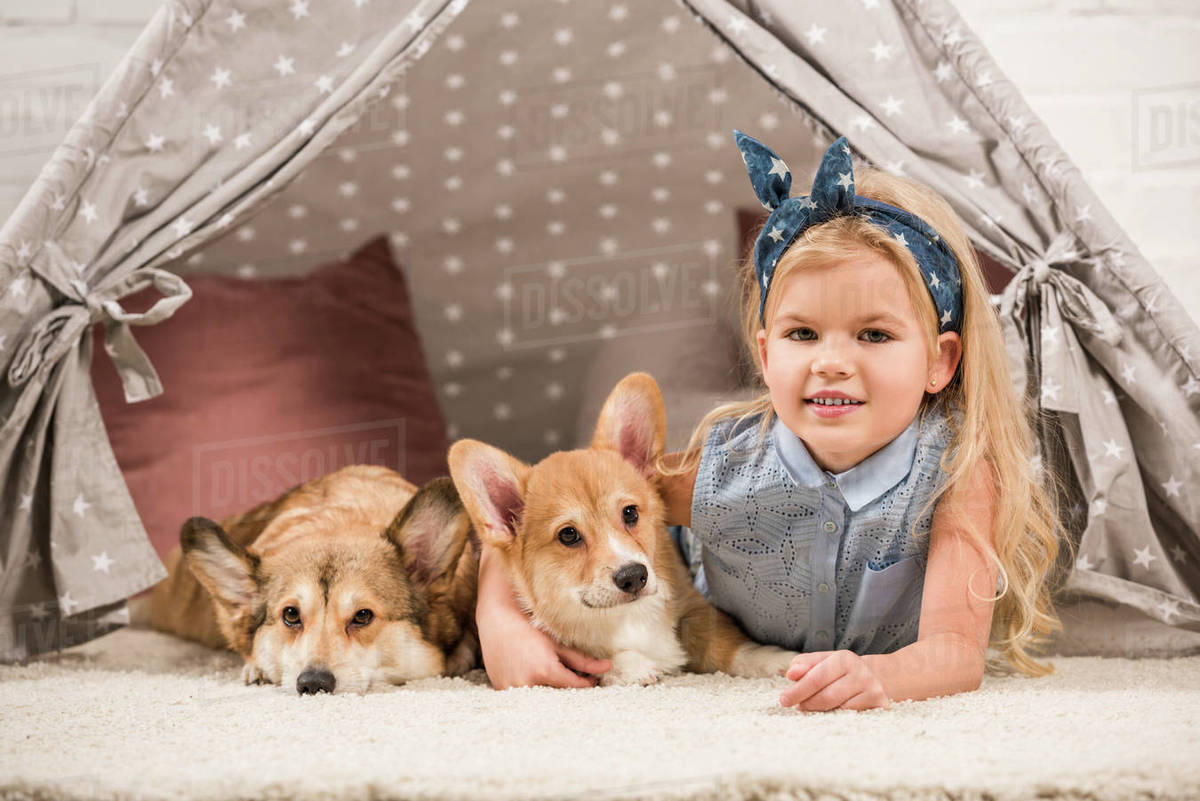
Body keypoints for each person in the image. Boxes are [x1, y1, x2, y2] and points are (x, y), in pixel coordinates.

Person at [473, 131, 1072, 709]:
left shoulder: (957, 474)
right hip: (703, 586)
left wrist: (880, 675)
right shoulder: (726, 468)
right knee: (653, 356)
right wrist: (499, 620)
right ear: (765, 355)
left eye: (874, 334)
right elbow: (549, 508)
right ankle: (670, 324)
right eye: (803, 333)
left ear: (939, 361)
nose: (832, 362)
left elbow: (953, 653)